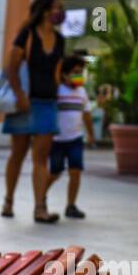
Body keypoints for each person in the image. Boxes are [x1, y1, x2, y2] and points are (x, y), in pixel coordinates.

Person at [1, 0, 66, 224]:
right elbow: (11, 67)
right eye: (57, 7)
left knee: (41, 158)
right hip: (25, 103)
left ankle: (40, 208)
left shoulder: (60, 40)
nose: (61, 12)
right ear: (45, 10)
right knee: (17, 154)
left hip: (47, 103)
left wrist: (60, 94)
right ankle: (8, 200)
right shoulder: (26, 35)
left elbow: (57, 71)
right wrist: (19, 95)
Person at [47, 54, 96, 219]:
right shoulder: (57, 90)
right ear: (65, 74)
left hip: (75, 138)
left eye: (81, 72)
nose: (79, 75)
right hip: (56, 140)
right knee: (55, 172)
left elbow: (87, 114)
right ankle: (41, 197)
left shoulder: (82, 92)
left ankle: (71, 205)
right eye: (76, 72)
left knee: (76, 171)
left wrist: (91, 135)